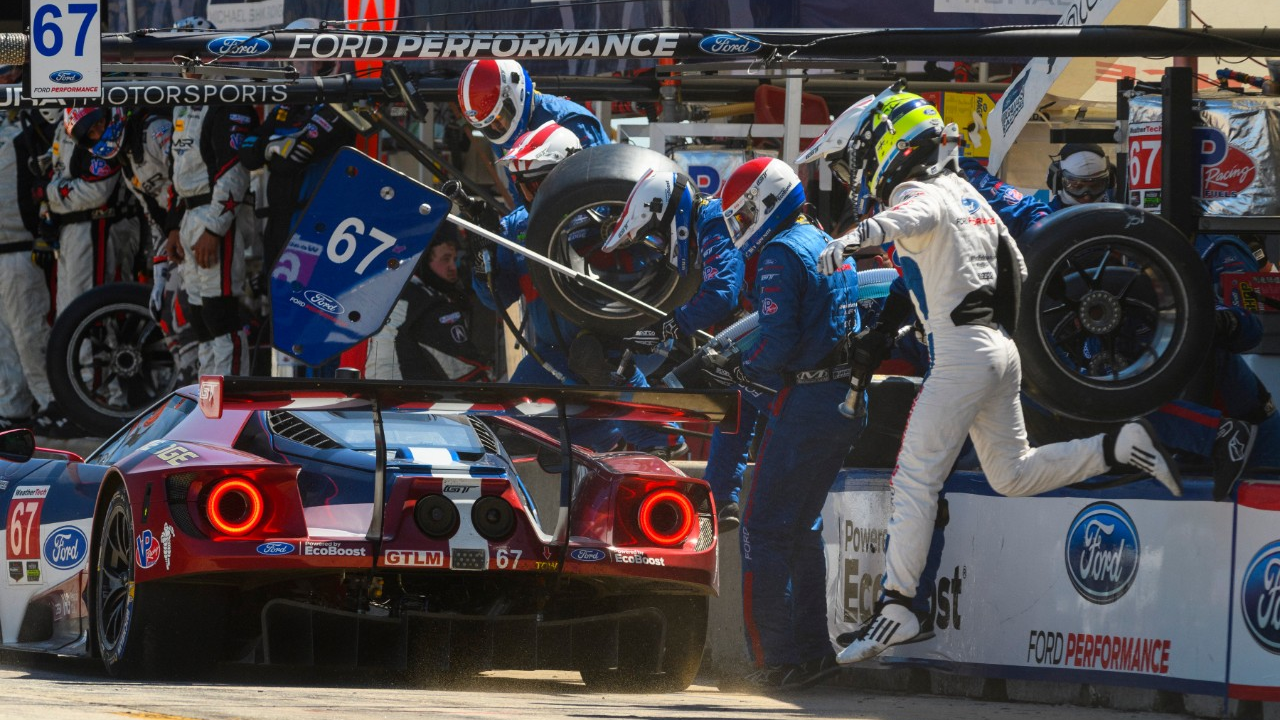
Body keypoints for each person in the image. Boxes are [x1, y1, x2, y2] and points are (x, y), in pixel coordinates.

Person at [812, 87, 1182, 665]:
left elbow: (911, 215)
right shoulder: (970, 194)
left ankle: (898, 606)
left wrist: (853, 240)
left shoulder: (921, 190)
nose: (851, 172)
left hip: (960, 353)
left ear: (885, 145)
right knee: (1012, 473)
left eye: (851, 159)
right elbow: (1018, 266)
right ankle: (1117, 446)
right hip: (1000, 349)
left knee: (913, 481)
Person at [962, 147, 1273, 500]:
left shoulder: (1184, 244)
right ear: (1057, 182)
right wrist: (949, 160)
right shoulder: (1042, 224)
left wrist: (1212, 320)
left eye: (1095, 186)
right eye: (1077, 185)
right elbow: (989, 187)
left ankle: (1219, 436)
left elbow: (1252, 330)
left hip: (1235, 419)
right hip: (1118, 413)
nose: (1086, 196)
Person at [714, 157, 862, 691]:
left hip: (806, 402)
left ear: (766, 201)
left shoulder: (778, 253)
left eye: (743, 212)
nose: (738, 224)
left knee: (762, 529)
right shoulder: (823, 241)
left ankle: (777, 659)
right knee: (802, 529)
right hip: (843, 399)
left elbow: (777, 342)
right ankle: (814, 651)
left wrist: (737, 369)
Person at [472, 121, 683, 456]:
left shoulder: (614, 214)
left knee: (598, 362)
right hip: (554, 355)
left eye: (539, 183)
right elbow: (495, 298)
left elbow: (661, 280)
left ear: (567, 174)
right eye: (523, 186)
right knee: (499, 426)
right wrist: (484, 251)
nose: (530, 196)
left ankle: (665, 445)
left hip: (623, 345)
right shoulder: (515, 228)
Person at [603, 168, 752, 529]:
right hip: (775, 326)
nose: (658, 247)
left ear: (670, 215)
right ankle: (722, 501)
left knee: (737, 402)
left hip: (788, 330)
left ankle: (721, 497)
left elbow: (721, 293)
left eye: (655, 237)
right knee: (735, 404)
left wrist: (669, 326)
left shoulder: (716, 221)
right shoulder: (710, 223)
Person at [164, 59, 260, 376]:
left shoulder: (230, 103)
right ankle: (209, 399)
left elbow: (234, 172)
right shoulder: (185, 106)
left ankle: (231, 405)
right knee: (199, 318)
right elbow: (179, 174)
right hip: (191, 216)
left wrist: (215, 229)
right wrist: (174, 227)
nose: (187, 71)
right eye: (182, 64)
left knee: (220, 317)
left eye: (192, 62)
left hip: (217, 217)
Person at [0, 70, 72, 436]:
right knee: (4, 339)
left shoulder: (28, 123)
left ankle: (54, 402)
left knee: (30, 333)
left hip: (21, 248)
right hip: (5, 249)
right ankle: (13, 408)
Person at [456, 59, 609, 206]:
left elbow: (599, 191)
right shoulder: (502, 140)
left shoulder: (573, 121)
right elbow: (521, 198)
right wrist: (508, 225)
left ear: (516, 95)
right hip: (549, 220)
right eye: (487, 127)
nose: (495, 128)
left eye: (497, 119)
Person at [47, 108, 141, 316]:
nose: (97, 130)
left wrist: (51, 193)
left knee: (92, 316)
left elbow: (97, 192)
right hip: (70, 231)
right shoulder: (65, 126)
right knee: (68, 316)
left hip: (99, 227)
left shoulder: (103, 122)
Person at [365, 233, 492, 381]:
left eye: (455, 259)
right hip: (407, 398)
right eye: (446, 259)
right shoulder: (427, 303)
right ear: (424, 260)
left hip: (377, 393)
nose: (453, 267)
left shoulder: (393, 290)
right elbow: (467, 371)